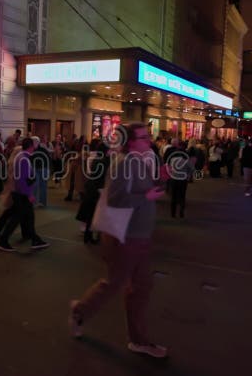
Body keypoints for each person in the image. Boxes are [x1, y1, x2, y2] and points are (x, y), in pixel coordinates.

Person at [68, 123, 168, 358]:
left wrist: (161, 180)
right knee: (114, 283)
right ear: (130, 142)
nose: (149, 141)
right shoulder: (124, 163)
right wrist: (147, 195)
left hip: (139, 235)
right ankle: (80, 311)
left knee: (141, 286)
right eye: (143, 137)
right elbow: (115, 199)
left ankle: (138, 340)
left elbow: (149, 190)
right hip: (126, 236)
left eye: (148, 136)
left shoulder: (140, 161)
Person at [0, 137, 49, 251]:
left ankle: (34, 239)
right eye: (34, 145)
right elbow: (21, 180)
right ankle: (3, 241)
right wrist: (29, 194)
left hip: (19, 193)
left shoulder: (21, 156)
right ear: (30, 147)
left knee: (28, 217)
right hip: (21, 194)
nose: (35, 147)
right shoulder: (23, 159)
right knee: (17, 218)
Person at [76, 140, 110, 243]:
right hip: (97, 190)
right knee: (94, 213)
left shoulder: (97, 159)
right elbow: (101, 177)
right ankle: (92, 236)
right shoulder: (104, 161)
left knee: (90, 213)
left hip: (92, 188)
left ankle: (88, 236)